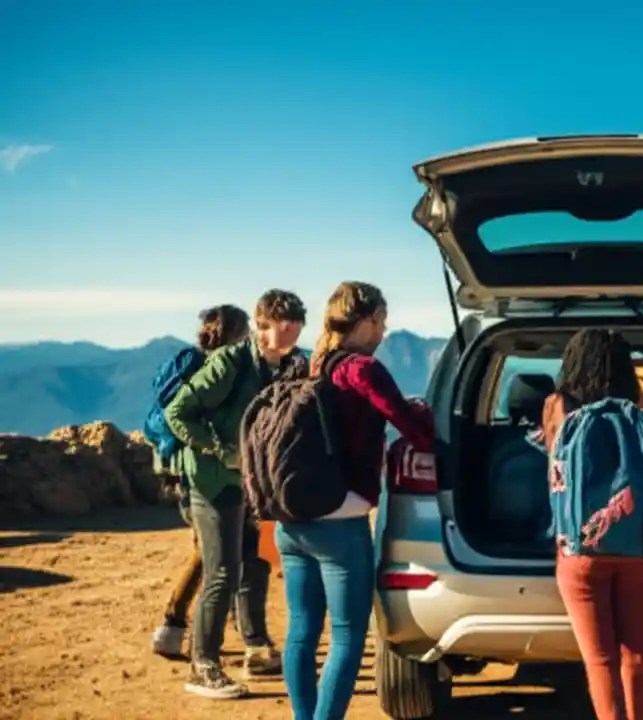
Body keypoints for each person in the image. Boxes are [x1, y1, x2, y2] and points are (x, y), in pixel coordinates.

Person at [275, 281, 435, 720]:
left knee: (301, 632)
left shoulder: (313, 365)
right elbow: (412, 429)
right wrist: (425, 416)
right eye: (380, 321)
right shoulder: (362, 369)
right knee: (347, 636)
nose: (384, 332)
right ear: (363, 321)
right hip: (339, 522)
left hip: (290, 520)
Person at [164, 289, 309, 699]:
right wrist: (221, 451)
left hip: (249, 484)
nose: (291, 338)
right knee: (221, 572)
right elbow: (179, 411)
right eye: (283, 330)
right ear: (261, 327)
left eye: (296, 330)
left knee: (255, 562)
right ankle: (203, 665)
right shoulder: (230, 362)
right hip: (213, 482)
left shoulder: (284, 365)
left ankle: (256, 647)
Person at [536, 329, 643, 720]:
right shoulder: (640, 412)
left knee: (600, 661)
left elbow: (554, 475)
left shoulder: (558, 408)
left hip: (579, 552)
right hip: (640, 550)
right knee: (637, 658)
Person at [151, 304, 251, 659]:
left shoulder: (193, 364)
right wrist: (221, 450)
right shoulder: (218, 371)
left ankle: (187, 627)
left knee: (214, 554)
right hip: (201, 475)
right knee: (212, 556)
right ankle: (177, 626)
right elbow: (185, 419)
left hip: (177, 469)